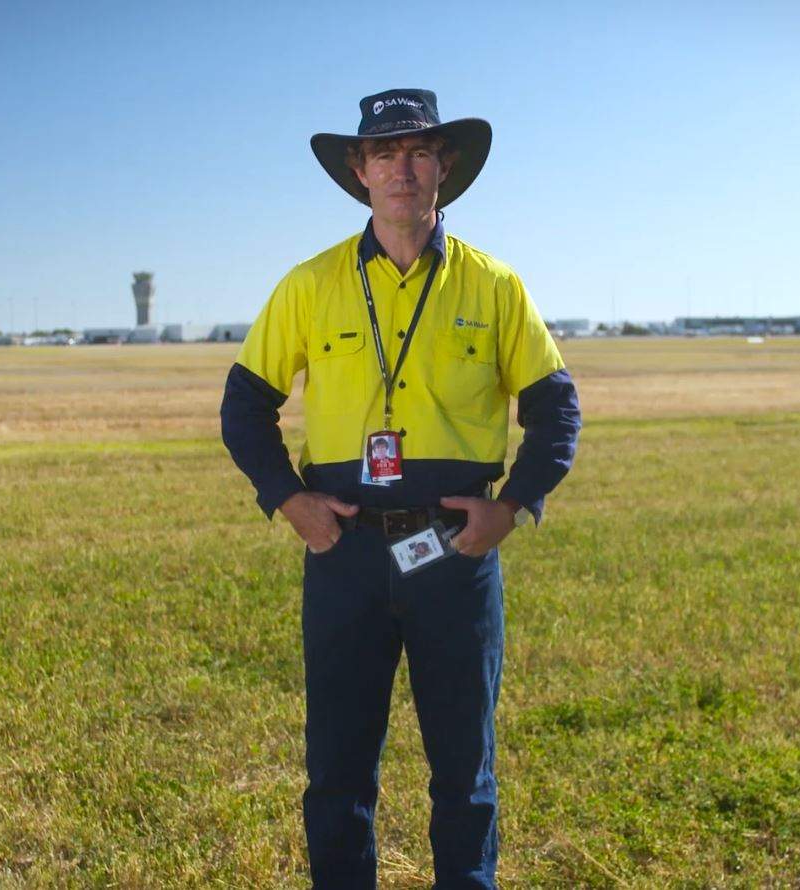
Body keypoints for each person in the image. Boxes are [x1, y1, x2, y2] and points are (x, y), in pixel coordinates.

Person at [220, 88, 581, 889]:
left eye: (419, 152)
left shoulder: (494, 286)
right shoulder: (309, 285)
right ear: (359, 171)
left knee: (464, 768)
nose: (402, 170)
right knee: (338, 768)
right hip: (343, 553)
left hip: (455, 556)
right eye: (384, 154)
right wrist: (288, 499)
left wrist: (512, 505)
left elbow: (555, 405)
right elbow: (246, 402)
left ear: (444, 167)